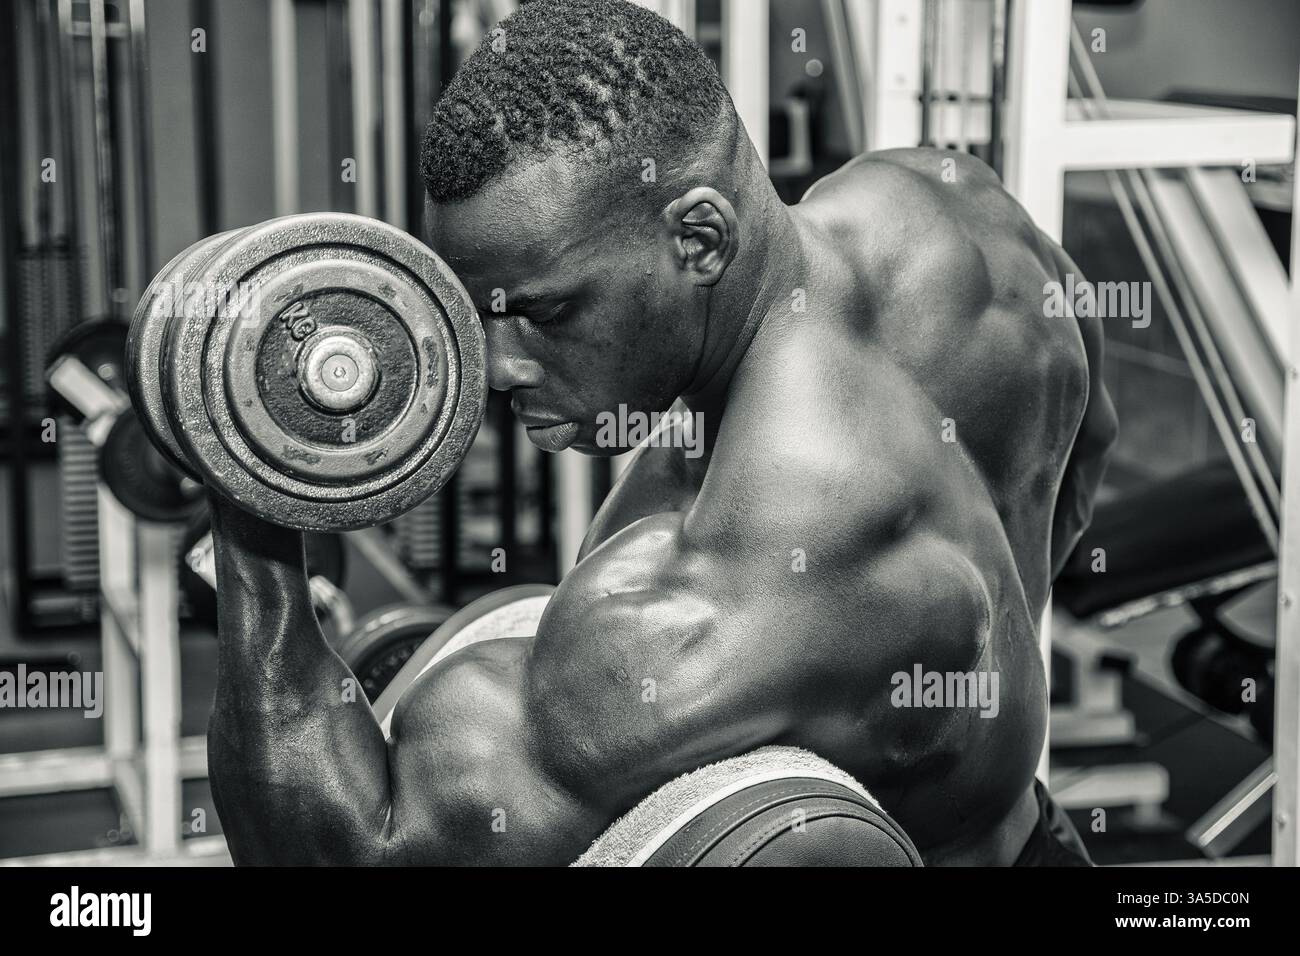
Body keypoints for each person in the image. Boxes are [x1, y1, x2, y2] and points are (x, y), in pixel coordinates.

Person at [206, 0, 1116, 865]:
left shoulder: (761, 570)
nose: (493, 368)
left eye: (545, 312)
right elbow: (1092, 434)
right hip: (1035, 834)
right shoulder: (943, 202)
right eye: (482, 312)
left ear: (701, 240)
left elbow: (350, 848)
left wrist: (248, 487)